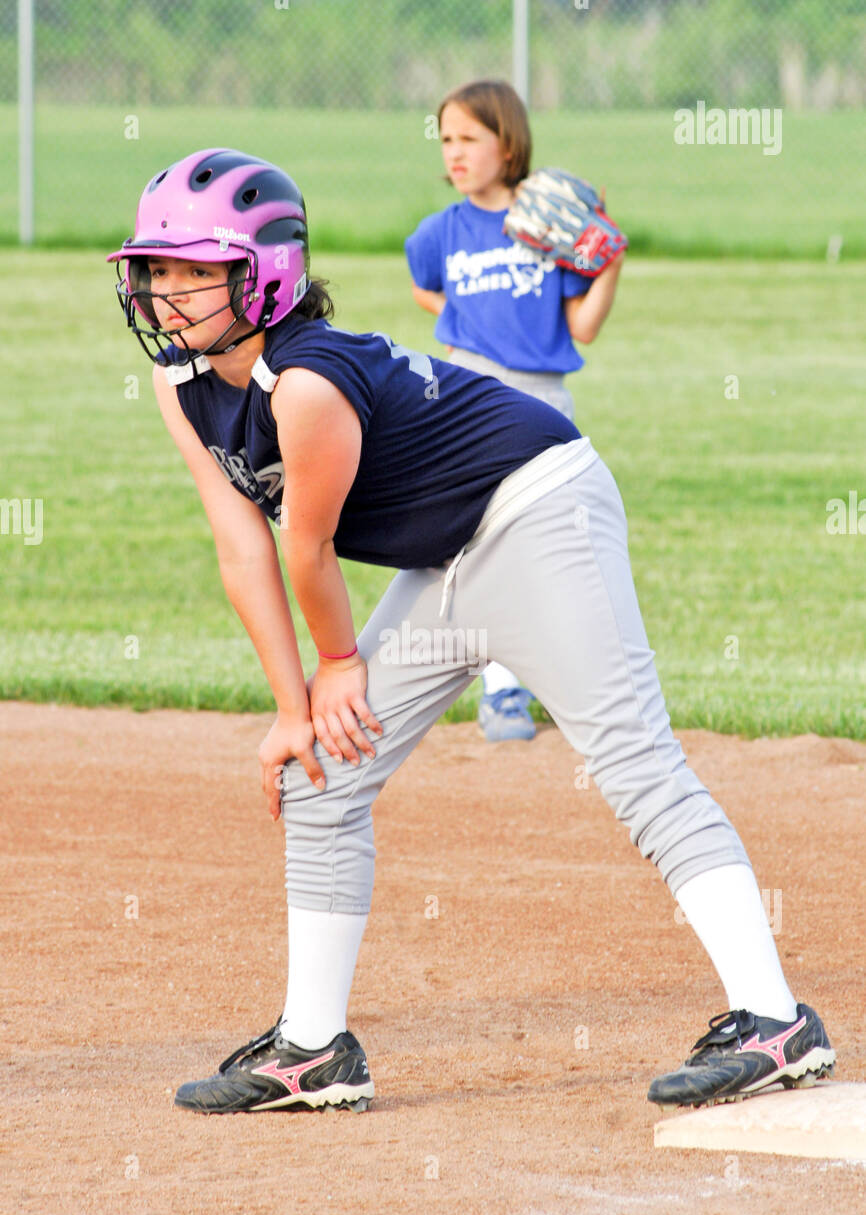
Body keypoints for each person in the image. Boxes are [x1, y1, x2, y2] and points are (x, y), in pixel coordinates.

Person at [108, 148, 835, 1116]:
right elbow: (241, 542)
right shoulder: (181, 386)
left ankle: (773, 1019)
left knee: (630, 764)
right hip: (445, 555)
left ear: (263, 273)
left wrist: (334, 666)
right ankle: (314, 1050)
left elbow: (308, 551)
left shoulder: (306, 386)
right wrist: (293, 708)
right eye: (157, 267)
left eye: (195, 268)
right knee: (317, 772)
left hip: (539, 511)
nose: (166, 290)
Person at [406, 80, 625, 742]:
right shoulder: (439, 231)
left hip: (544, 403)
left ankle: (549, 684)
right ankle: (501, 692)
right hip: (470, 403)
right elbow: (424, 288)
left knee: (551, 549)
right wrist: (465, 322)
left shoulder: (545, 225)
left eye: (471, 138)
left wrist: (611, 259)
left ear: (509, 145)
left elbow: (582, 326)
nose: (455, 152)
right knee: (480, 544)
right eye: (446, 139)